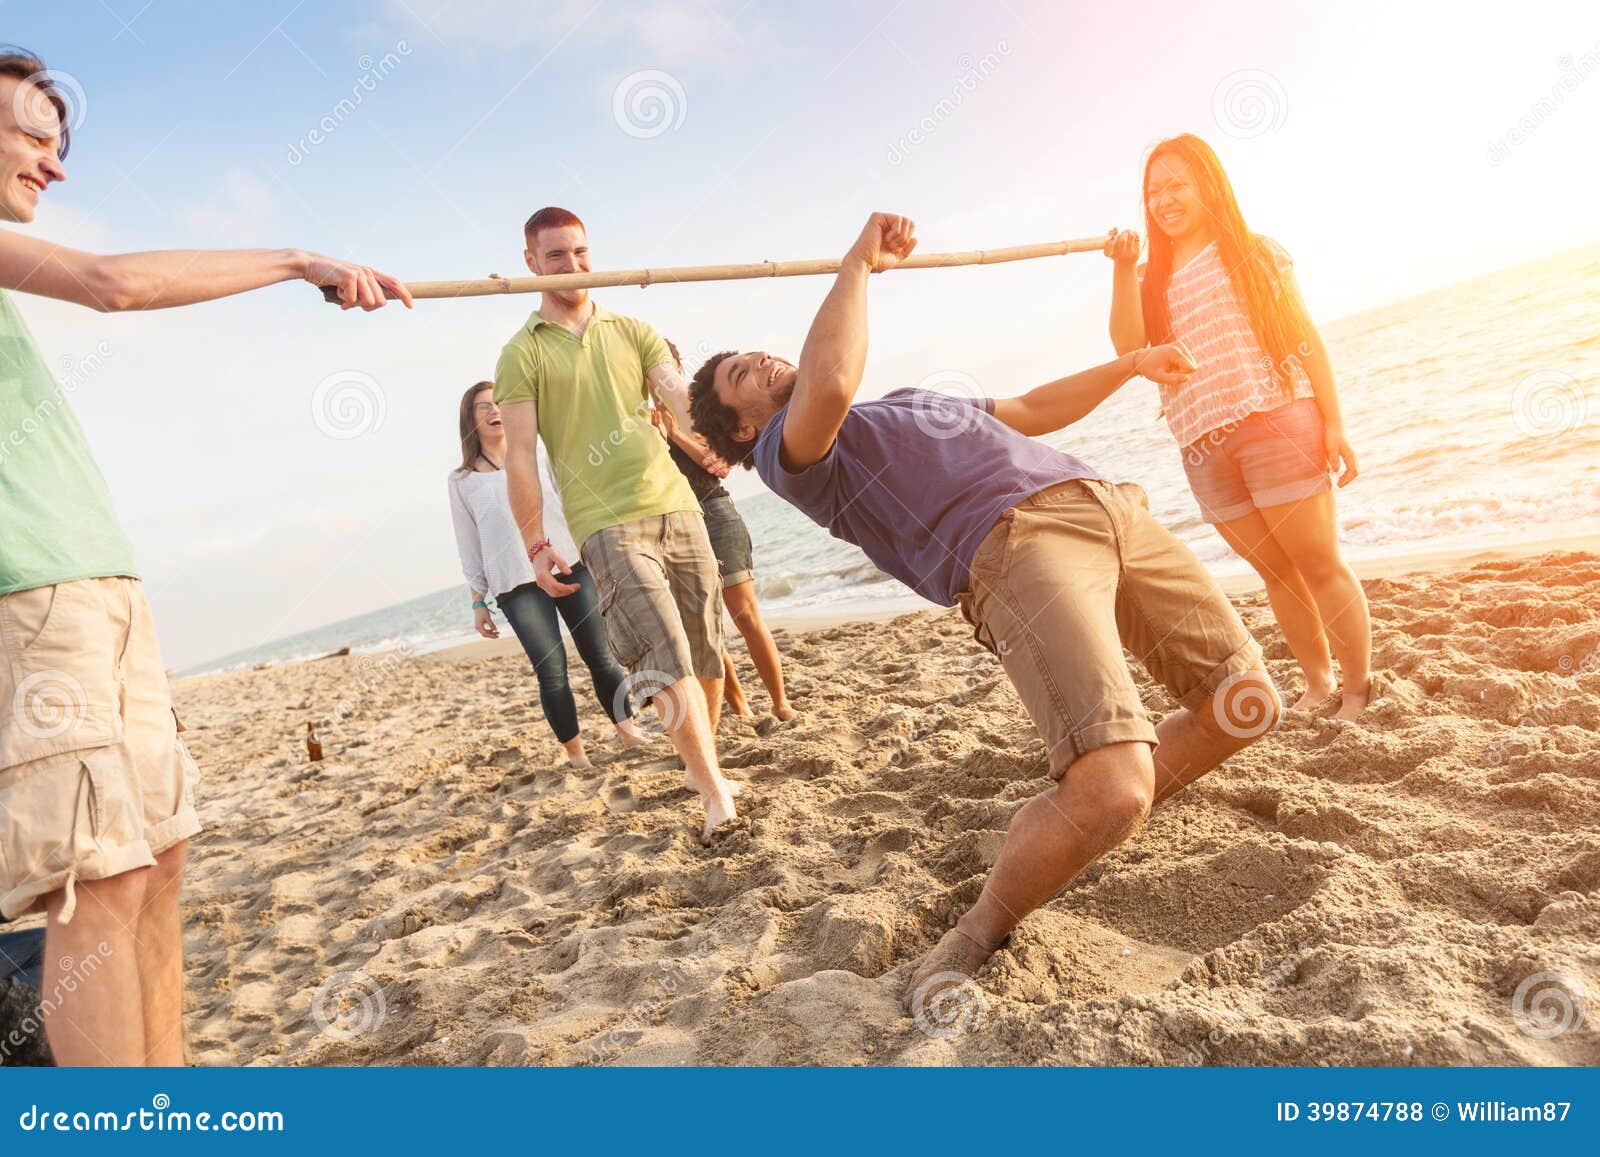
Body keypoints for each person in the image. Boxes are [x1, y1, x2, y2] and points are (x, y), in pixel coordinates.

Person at [687, 212, 1283, 1005]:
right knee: (1112, 789)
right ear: (745, 426)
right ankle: (982, 923)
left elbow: (1033, 408)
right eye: (741, 375)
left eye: (750, 355)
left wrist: (1132, 362)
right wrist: (857, 265)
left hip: (1106, 503)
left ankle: (1095, 816)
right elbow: (828, 381)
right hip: (1016, 544)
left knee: (1246, 705)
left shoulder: (907, 403)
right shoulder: (795, 460)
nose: (760, 360)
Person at [0, 47, 410, 1066]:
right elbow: (110, 284)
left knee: (157, 858)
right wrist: (298, 260)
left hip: (97, 580)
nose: (55, 168)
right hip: (22, 596)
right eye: (36, 141)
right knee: (89, 883)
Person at [493, 207, 740, 843]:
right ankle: (713, 791)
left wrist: (713, 437)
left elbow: (676, 396)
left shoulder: (633, 329)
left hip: (675, 503)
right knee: (663, 650)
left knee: (707, 645)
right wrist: (535, 542)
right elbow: (519, 454)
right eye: (556, 257)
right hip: (605, 522)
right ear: (530, 263)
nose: (572, 266)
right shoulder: (521, 354)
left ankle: (698, 762)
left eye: (580, 253)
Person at [1105, 133, 1372, 719]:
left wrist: (1335, 422)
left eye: (1177, 184)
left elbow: (1306, 338)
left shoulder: (1256, 252)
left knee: (1318, 564)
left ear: (1208, 184)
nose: (1165, 200)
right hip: (1202, 445)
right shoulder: (1150, 278)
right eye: (1153, 190)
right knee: (1276, 572)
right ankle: (1319, 684)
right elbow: (1129, 349)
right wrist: (1125, 269)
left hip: (1278, 423)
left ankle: (1357, 691)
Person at [447, 382, 649, 768]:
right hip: (515, 585)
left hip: (568, 563)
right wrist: (478, 601)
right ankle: (577, 756)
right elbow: (468, 542)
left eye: (500, 403)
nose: (495, 411)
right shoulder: (462, 482)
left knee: (601, 656)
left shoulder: (539, 455)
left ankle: (626, 729)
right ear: (469, 419)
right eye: (483, 407)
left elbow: (572, 502)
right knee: (551, 672)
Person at [653, 339, 796, 721]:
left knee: (746, 617)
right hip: (671, 523)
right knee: (705, 626)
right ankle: (740, 706)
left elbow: (719, 464)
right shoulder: (633, 418)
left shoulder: (696, 408)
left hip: (713, 511)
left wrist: (674, 434)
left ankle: (781, 705)